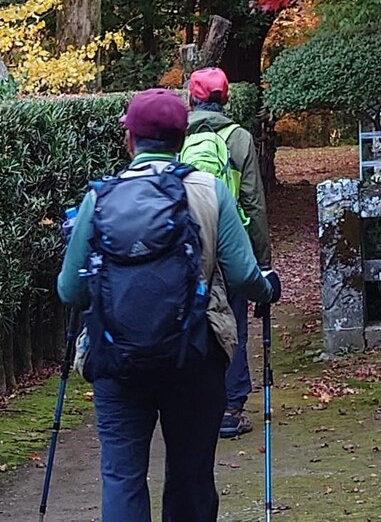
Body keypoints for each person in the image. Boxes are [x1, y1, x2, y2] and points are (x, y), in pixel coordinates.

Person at [58, 88, 280, 522]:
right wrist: (268, 288)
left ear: (130, 140)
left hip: (117, 359)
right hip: (194, 357)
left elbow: (70, 290)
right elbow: (243, 277)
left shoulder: (100, 198)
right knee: (190, 475)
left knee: (121, 476)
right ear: (182, 139)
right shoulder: (210, 191)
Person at [184, 65, 271, 439]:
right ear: (226, 99)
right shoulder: (239, 137)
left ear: (191, 97)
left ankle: (193, 401)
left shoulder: (177, 135)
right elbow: (253, 202)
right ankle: (231, 407)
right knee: (233, 322)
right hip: (230, 242)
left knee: (190, 317)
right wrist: (262, 262)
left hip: (187, 244)